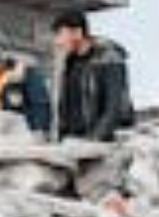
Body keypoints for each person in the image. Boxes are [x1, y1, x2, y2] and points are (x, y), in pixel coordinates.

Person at [51, 10, 135, 142]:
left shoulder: (109, 58)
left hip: (106, 143)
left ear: (77, 32)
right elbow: (65, 109)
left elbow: (114, 107)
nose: (58, 42)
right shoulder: (70, 63)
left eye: (61, 35)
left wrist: (95, 139)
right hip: (75, 142)